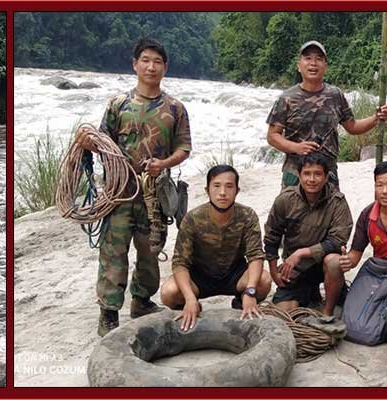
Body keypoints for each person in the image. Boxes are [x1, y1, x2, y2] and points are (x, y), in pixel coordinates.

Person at [75, 38, 192, 336]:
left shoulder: (175, 108)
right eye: (146, 60)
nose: (151, 67)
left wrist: (163, 164)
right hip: (119, 191)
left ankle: (141, 301)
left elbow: (184, 148)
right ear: (135, 64)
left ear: (165, 67)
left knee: (151, 251)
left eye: (157, 62)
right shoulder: (118, 105)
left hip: (155, 194)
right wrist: (88, 143)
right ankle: (109, 313)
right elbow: (102, 142)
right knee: (113, 251)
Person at [266, 40, 387, 189]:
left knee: (332, 211)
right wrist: (296, 147)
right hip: (295, 173)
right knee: (292, 212)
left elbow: (352, 126)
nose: (313, 63)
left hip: (327, 173)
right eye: (308, 58)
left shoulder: (335, 95)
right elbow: (272, 136)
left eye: (319, 59)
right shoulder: (286, 98)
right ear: (299, 66)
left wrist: (376, 117)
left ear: (325, 66)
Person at [160, 165, 271, 331]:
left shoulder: (247, 215)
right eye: (217, 186)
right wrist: (190, 298)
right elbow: (180, 262)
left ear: (237, 190)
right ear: (207, 190)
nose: (223, 193)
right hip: (200, 277)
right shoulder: (192, 218)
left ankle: (241, 302)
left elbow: (255, 256)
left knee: (264, 280)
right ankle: (190, 309)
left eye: (229, 186)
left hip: (234, 274)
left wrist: (251, 291)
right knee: (169, 292)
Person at [263, 152, 353, 317]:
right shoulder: (285, 200)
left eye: (318, 174)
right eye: (307, 173)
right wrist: (274, 270)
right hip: (295, 268)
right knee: (284, 314)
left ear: (326, 177)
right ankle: (310, 292)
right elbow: (271, 237)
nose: (311, 179)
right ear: (299, 175)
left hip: (323, 265)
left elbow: (338, 241)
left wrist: (302, 252)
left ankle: (327, 312)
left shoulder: (337, 202)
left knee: (334, 262)